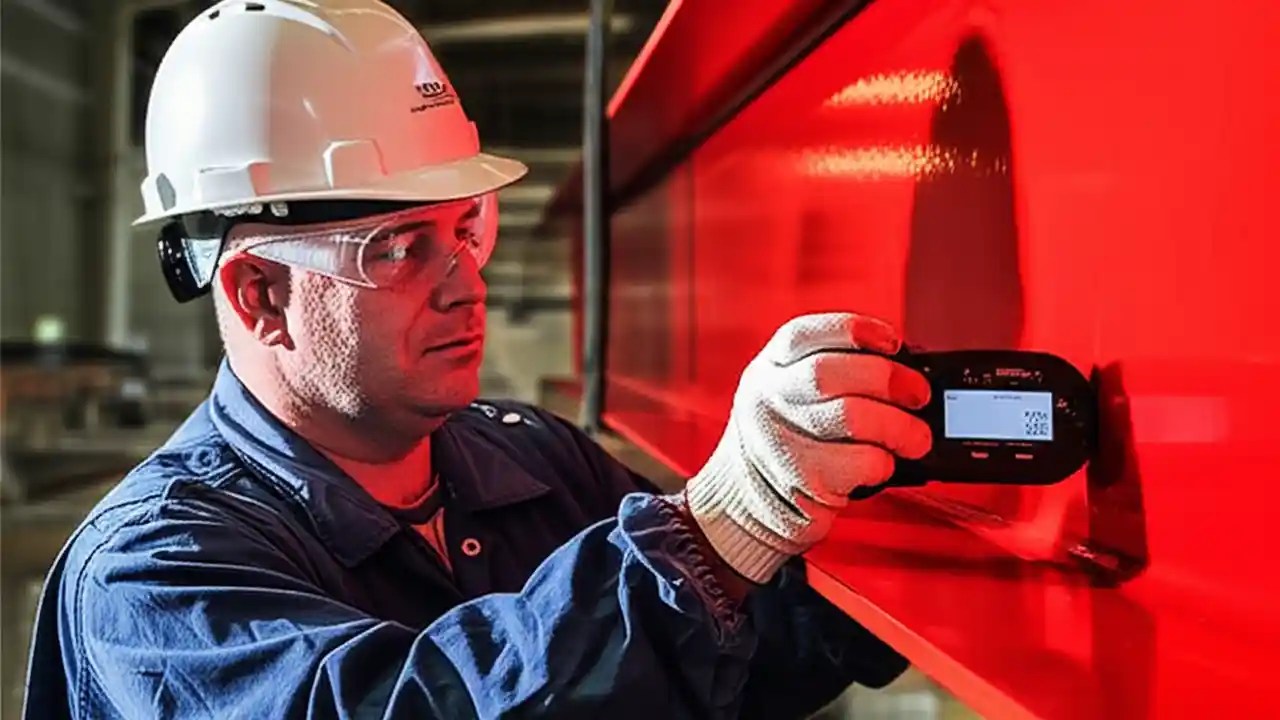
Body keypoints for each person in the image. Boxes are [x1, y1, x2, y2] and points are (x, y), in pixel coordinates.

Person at [22, 1, 934, 718]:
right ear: (260, 293)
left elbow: (735, 670)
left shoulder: (533, 459)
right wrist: (718, 529)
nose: (467, 285)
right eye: (396, 248)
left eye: (466, 228)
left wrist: (881, 520)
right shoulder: (151, 573)